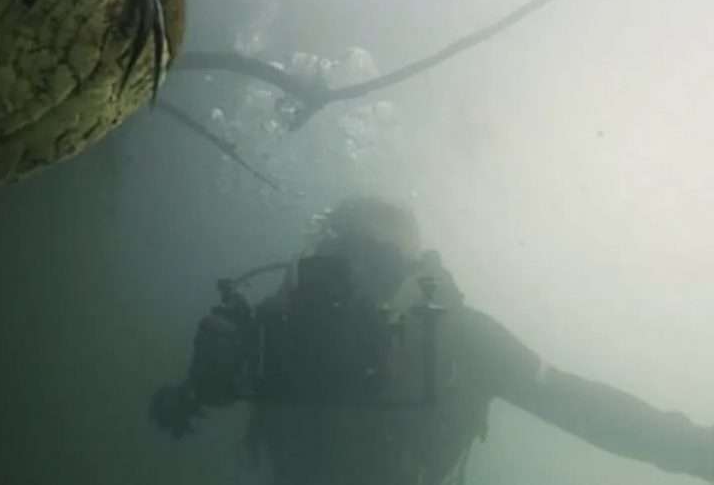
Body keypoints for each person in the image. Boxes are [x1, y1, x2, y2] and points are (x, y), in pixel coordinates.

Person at [150, 197, 713, 484]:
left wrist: (697, 450)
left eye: (381, 264)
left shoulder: (455, 338)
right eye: (346, 262)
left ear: (414, 274)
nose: (360, 283)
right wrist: (193, 387)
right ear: (316, 263)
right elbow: (201, 397)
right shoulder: (277, 326)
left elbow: (580, 404)